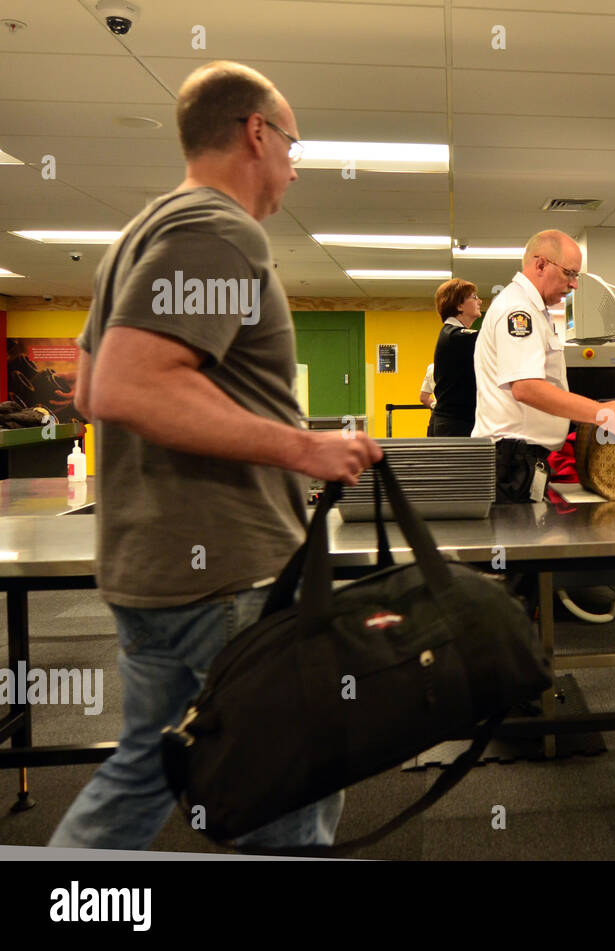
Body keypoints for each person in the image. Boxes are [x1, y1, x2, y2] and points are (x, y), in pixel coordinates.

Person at [50, 60, 383, 852]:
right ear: (256, 132)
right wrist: (308, 447)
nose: (295, 166)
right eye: (293, 144)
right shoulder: (220, 228)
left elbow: (93, 389)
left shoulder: (138, 233)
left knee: (144, 767)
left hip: (152, 572)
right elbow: (131, 385)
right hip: (227, 576)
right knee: (289, 783)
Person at [472, 230, 615, 503]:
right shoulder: (520, 311)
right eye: (570, 273)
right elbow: (526, 388)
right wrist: (600, 413)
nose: (574, 284)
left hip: (519, 459)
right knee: (518, 540)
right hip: (511, 462)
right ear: (540, 265)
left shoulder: (533, 310)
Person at [421, 278, 481, 437]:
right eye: (474, 297)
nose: (479, 301)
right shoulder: (455, 335)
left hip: (457, 422)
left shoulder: (453, 334)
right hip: (455, 426)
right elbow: (493, 337)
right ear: (459, 305)